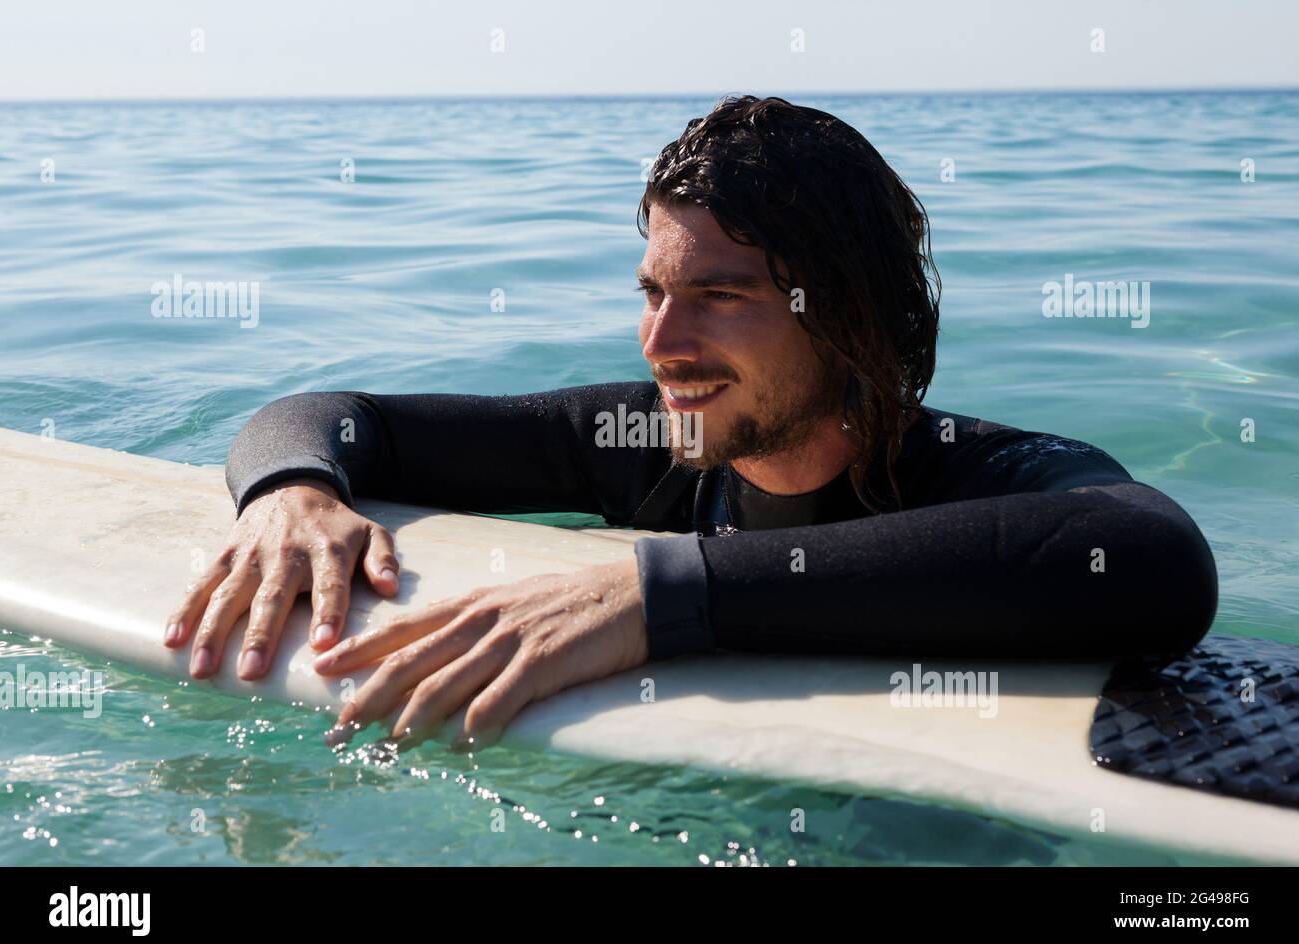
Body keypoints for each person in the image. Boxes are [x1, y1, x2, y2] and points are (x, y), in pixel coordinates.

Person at [163, 95, 1218, 750]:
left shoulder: (979, 477)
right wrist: (291, 491)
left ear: (844, 311)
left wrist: (655, 587)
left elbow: (1151, 558)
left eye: (719, 296)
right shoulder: (645, 444)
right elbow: (334, 416)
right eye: (651, 292)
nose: (660, 342)